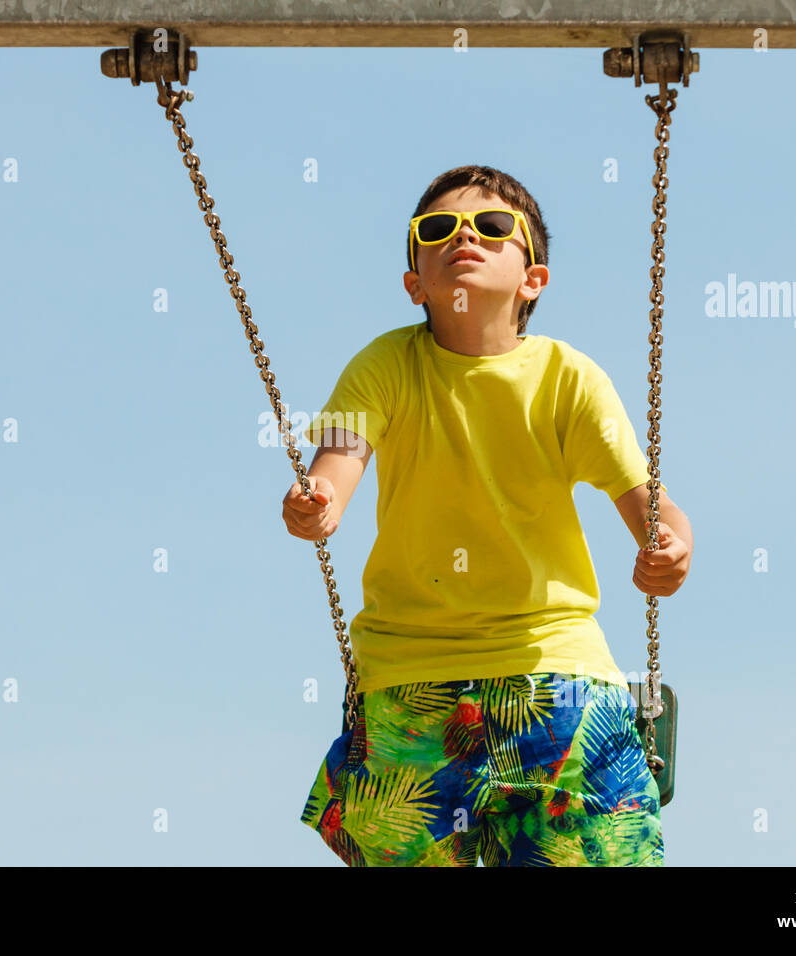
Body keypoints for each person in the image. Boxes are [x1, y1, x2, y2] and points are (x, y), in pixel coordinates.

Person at [282, 165, 693, 867]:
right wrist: (315, 504)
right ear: (415, 282)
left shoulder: (570, 377)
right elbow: (335, 469)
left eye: (493, 227)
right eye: (437, 229)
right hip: (411, 682)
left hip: (553, 676)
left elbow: (650, 505)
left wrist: (670, 546)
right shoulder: (383, 365)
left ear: (533, 277)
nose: (464, 236)